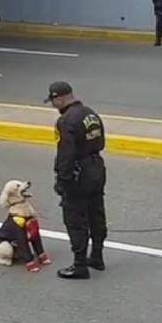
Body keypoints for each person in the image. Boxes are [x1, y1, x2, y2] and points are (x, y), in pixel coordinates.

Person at [45, 81, 108, 279]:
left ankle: (80, 265)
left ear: (60, 98)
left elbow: (66, 154)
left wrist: (62, 181)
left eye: (53, 101)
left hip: (78, 173)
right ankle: (97, 255)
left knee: (75, 219)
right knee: (96, 213)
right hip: (96, 168)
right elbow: (101, 142)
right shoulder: (90, 113)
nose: (54, 105)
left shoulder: (66, 121)